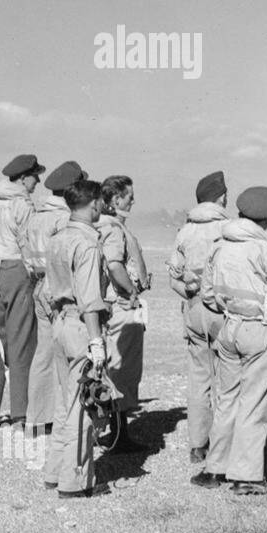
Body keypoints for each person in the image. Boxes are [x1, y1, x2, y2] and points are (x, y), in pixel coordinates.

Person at [196, 187, 267, 495]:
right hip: (260, 329)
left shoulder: (220, 244)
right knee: (255, 403)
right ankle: (247, 476)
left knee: (227, 400)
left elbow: (206, 294)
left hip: (229, 328)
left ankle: (215, 467)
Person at [43, 179, 111, 498]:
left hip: (60, 324)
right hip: (81, 326)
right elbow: (90, 301)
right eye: (101, 202)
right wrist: (96, 343)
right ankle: (76, 482)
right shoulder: (88, 243)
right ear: (94, 203)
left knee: (64, 403)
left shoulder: (57, 238)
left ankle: (54, 473)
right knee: (85, 405)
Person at [0, 153, 43, 433]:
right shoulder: (23, 205)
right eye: (35, 175)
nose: (38, 180)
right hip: (17, 270)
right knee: (21, 341)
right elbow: (30, 250)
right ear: (23, 178)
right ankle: (20, 415)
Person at [166, 171, 229, 464]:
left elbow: (173, 278)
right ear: (222, 197)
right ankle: (225, 446)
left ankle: (197, 445)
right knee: (229, 379)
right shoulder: (229, 228)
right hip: (223, 310)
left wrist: (192, 293)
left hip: (193, 310)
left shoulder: (185, 231)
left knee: (198, 377)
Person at [25, 161, 88, 437]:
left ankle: (36, 419)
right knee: (66, 355)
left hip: (38, 287)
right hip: (57, 291)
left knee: (42, 354)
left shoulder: (36, 216)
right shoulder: (63, 219)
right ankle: (65, 418)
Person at [98, 175, 149, 451]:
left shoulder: (107, 226)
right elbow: (115, 265)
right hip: (121, 306)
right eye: (129, 196)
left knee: (118, 367)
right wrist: (131, 292)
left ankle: (117, 431)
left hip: (117, 305)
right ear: (116, 200)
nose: (133, 200)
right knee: (122, 369)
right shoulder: (113, 229)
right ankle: (119, 435)